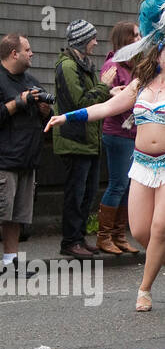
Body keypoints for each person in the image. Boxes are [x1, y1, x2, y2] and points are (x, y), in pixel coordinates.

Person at [48, 34, 165, 312]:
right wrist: (66, 117)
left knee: (160, 228)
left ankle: (144, 290)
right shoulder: (139, 85)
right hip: (143, 163)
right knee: (140, 231)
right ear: (159, 55)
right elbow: (106, 107)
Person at [52, 19, 111, 260]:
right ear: (81, 41)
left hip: (89, 140)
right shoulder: (67, 66)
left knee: (86, 194)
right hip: (74, 140)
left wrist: (107, 90)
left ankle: (78, 238)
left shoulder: (85, 64)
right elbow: (80, 103)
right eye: (92, 39)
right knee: (75, 194)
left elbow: (93, 95)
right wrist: (106, 87)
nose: (96, 43)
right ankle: (69, 241)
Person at [0, 34, 50, 277]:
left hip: (27, 159)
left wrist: (44, 109)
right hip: (4, 161)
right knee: (1, 212)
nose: (32, 54)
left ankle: (10, 264)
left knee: (16, 217)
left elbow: (45, 116)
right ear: (14, 54)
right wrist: (17, 103)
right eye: (27, 50)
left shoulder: (30, 79)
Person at [97, 21, 143, 256]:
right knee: (117, 184)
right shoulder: (112, 65)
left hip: (133, 133)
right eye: (135, 35)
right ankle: (104, 236)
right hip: (117, 133)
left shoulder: (134, 65)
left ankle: (119, 235)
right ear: (125, 39)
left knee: (126, 187)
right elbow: (106, 101)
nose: (139, 38)